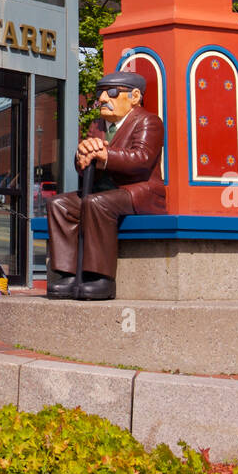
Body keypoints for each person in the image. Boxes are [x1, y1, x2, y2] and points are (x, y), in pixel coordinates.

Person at [47, 70, 166, 301]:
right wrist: (81, 158)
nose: (103, 99)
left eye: (112, 93)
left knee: (97, 203)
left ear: (134, 96)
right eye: (101, 93)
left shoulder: (148, 121)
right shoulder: (98, 125)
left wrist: (104, 154)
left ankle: (100, 277)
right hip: (104, 191)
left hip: (138, 191)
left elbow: (141, 159)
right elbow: (87, 155)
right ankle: (67, 273)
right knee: (59, 204)